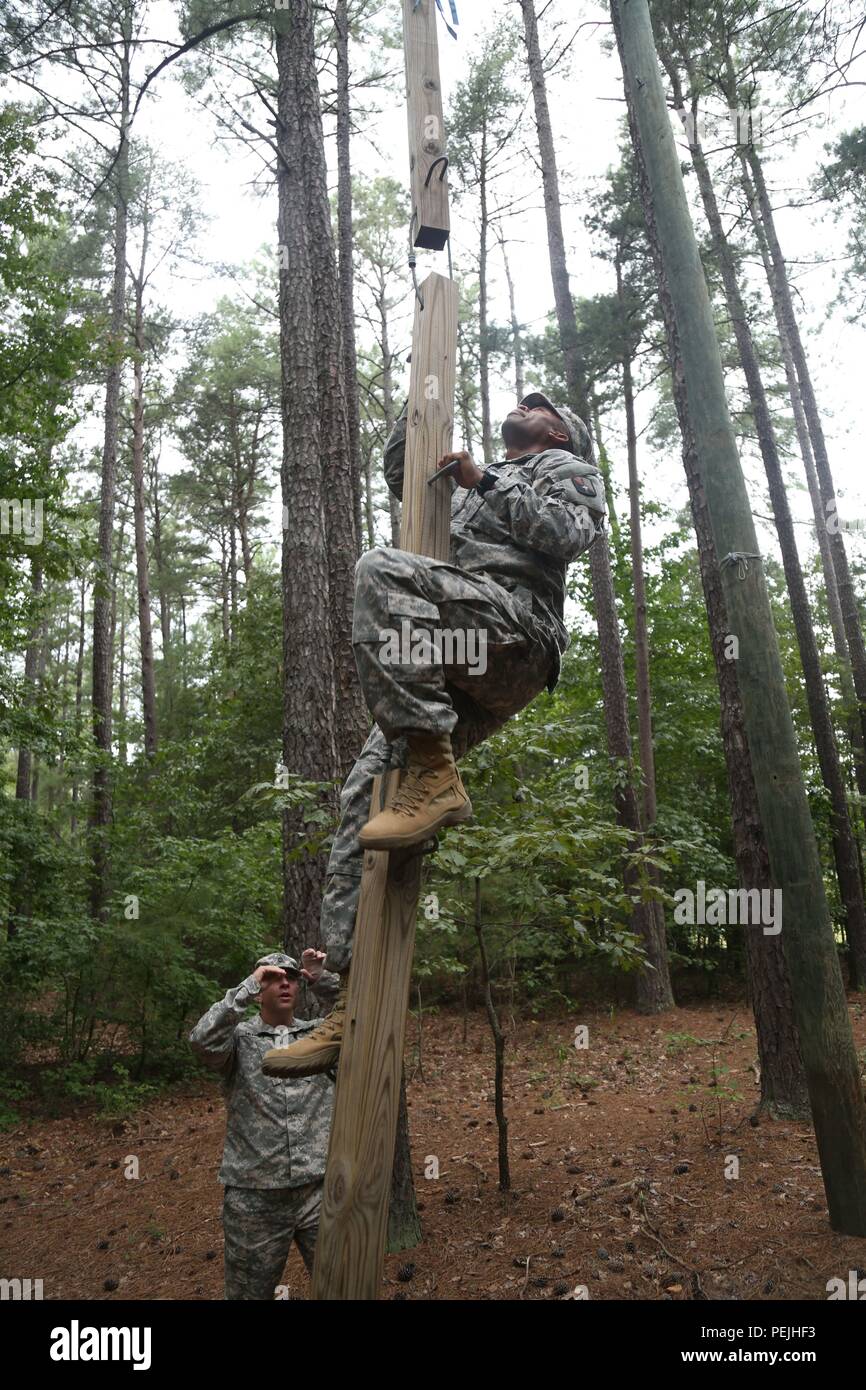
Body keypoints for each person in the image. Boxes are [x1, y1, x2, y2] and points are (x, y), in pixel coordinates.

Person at [261, 391, 605, 1080]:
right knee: (362, 806)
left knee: (380, 570)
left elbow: (570, 535)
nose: (527, 402)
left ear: (562, 431)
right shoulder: (473, 481)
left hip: (516, 639)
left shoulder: (564, 469)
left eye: (542, 403)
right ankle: (345, 1005)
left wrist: (485, 481)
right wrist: (414, 414)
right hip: (452, 661)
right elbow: (408, 487)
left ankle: (434, 771)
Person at [189, 949, 339, 1299]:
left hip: (319, 1192)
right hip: (255, 1200)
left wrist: (323, 978)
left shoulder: (320, 1036)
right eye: (272, 977)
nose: (283, 982)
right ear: (259, 990)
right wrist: (247, 986)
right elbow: (200, 1041)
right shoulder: (239, 1041)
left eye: (291, 977)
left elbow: (363, 1020)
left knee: (342, 1287)